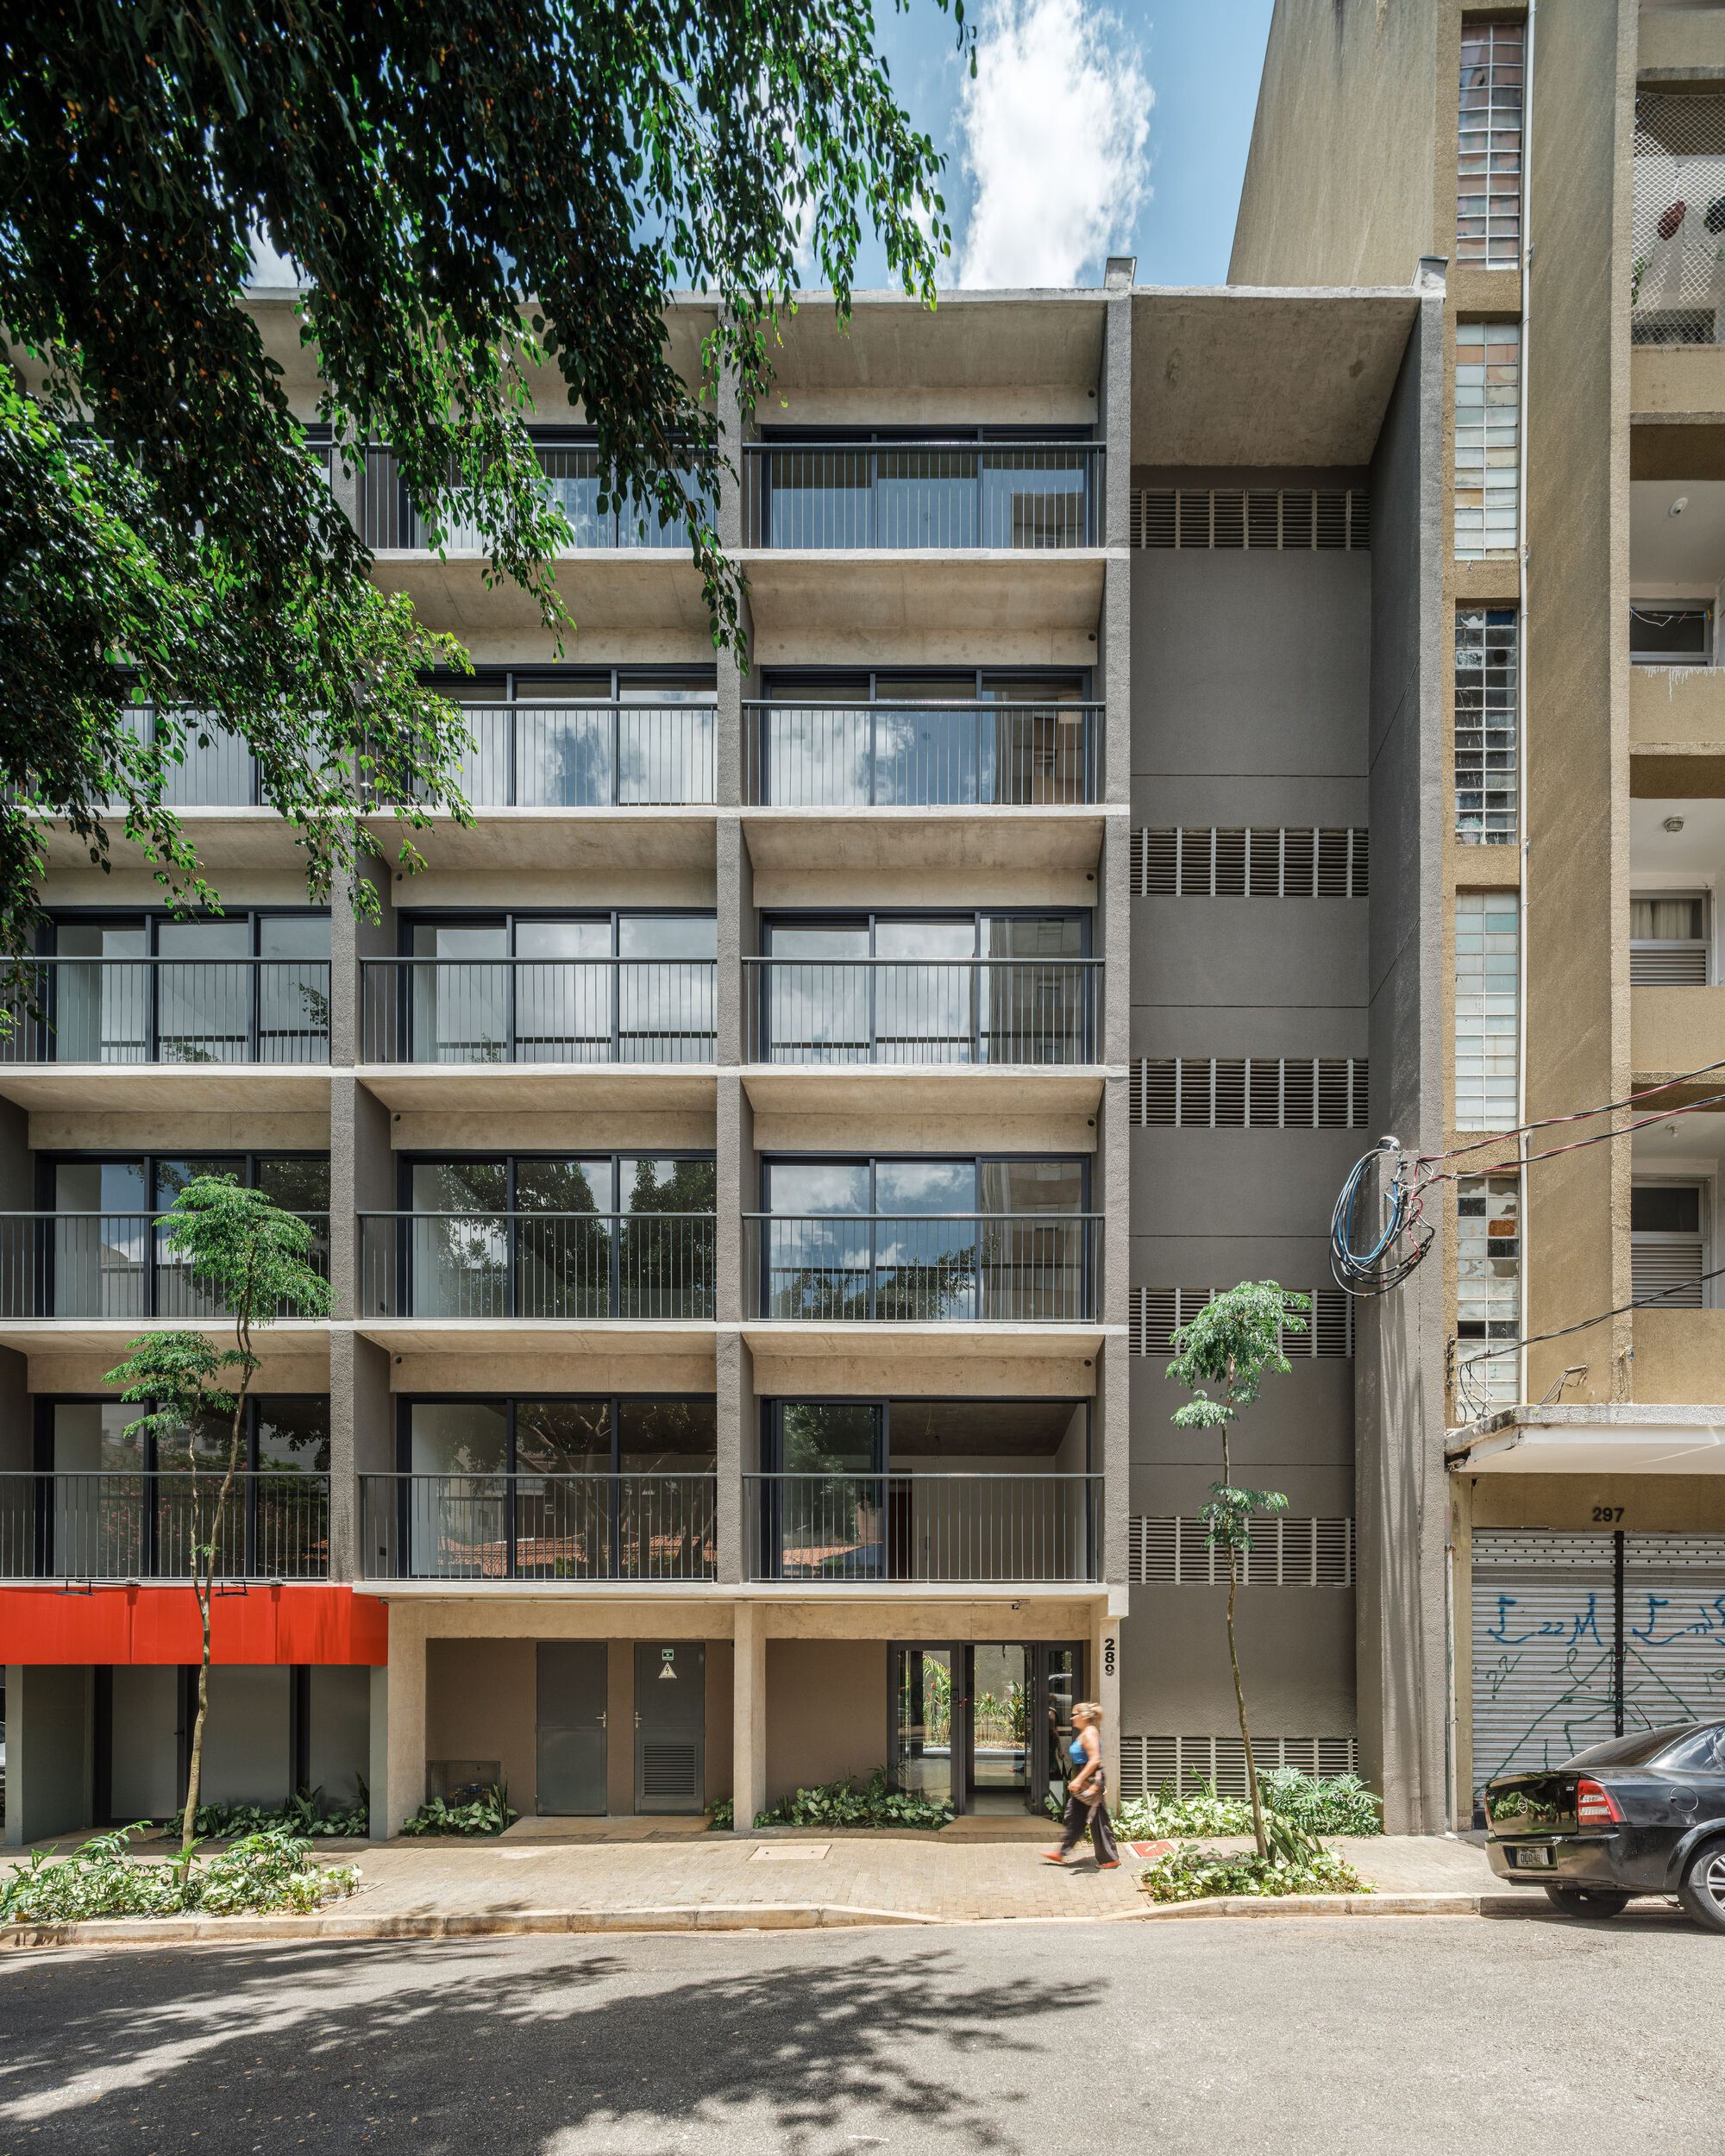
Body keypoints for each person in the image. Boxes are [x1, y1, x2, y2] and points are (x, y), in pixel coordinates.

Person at [1042, 1700, 1120, 1869]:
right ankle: (1061, 1853)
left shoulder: (1090, 1733)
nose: (1071, 1718)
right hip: (1086, 1781)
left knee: (1098, 1819)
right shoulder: (1086, 1731)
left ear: (1083, 1716)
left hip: (1090, 1781)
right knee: (1075, 1816)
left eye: (1074, 1715)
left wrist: (1078, 1780)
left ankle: (1110, 1858)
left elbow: (1094, 1760)